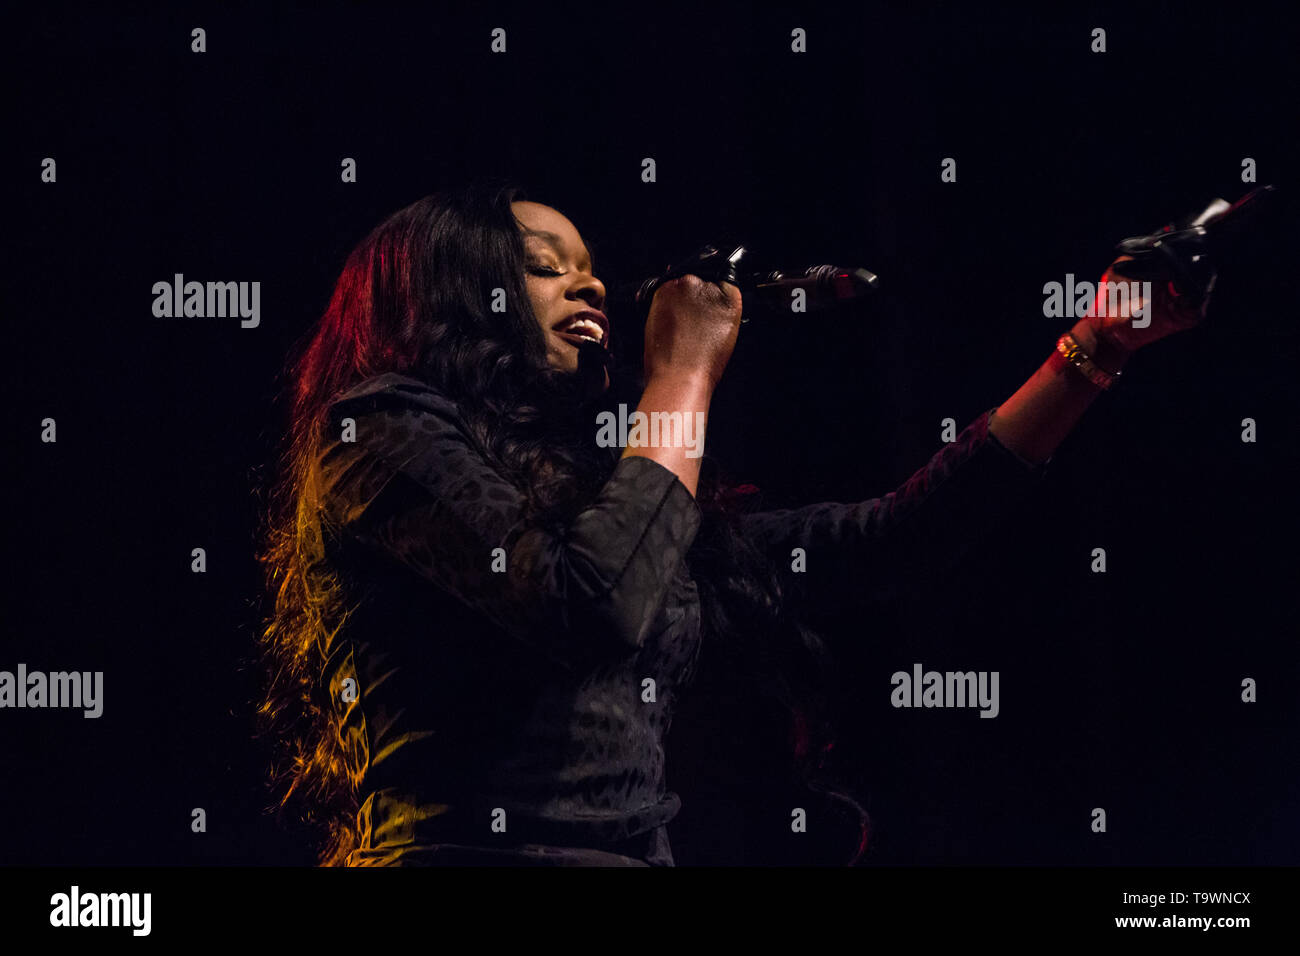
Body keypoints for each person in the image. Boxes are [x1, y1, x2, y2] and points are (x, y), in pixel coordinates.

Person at [255, 180, 1207, 866]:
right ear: (457, 294)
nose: (591, 288)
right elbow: (591, 600)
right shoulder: (375, 428)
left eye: (591, 271)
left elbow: (895, 536)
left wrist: (1094, 349)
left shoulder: (621, 494)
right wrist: (684, 376)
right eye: (545, 269)